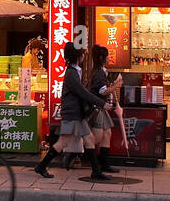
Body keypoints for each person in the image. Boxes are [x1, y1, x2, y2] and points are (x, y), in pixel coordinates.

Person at [33, 42, 107, 179]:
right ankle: (41, 166)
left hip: (75, 114)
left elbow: (82, 92)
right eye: (83, 54)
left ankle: (96, 171)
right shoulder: (72, 73)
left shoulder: (73, 71)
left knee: (87, 139)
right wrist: (102, 103)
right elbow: (83, 93)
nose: (85, 56)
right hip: (72, 114)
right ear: (78, 56)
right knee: (63, 142)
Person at [84, 45, 123, 175]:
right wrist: (116, 85)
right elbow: (103, 91)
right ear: (102, 58)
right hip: (97, 108)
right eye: (107, 55)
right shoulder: (99, 73)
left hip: (101, 108)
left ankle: (104, 164)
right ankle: (95, 165)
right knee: (97, 137)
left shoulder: (99, 71)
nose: (109, 57)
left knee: (107, 134)